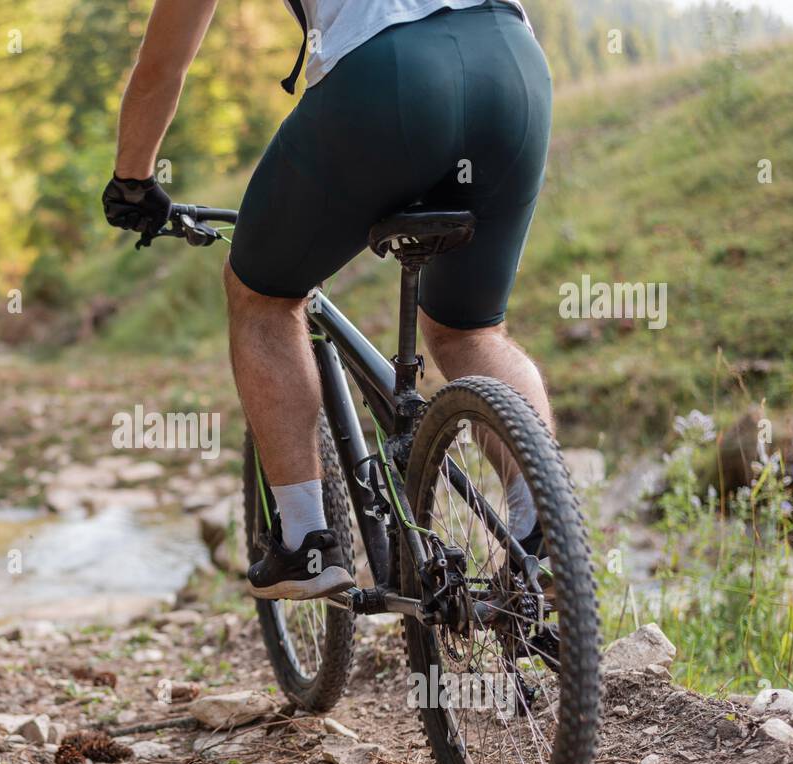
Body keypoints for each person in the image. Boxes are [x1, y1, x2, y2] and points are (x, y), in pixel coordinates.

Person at [103, 0, 552, 600]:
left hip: (387, 74)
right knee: (470, 332)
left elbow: (162, 64)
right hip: (513, 67)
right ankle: (545, 533)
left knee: (261, 296)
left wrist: (133, 182)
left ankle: (306, 544)